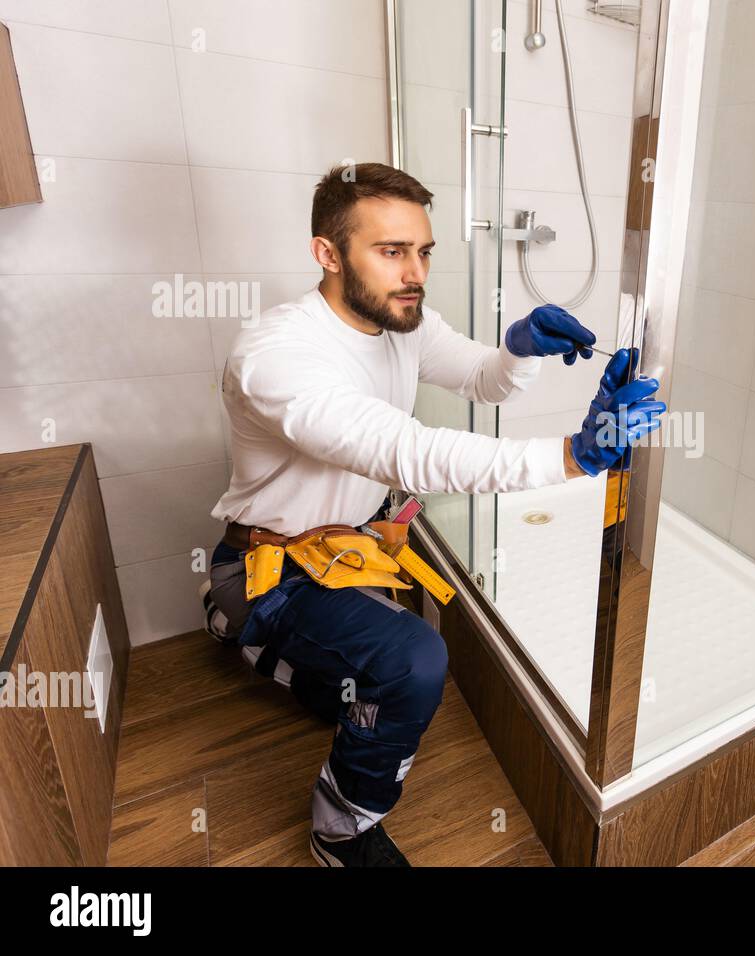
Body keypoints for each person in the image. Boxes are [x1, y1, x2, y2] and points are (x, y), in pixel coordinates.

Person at [201, 161, 665, 866]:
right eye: (391, 251)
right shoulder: (275, 356)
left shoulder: (401, 321)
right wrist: (576, 456)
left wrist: (519, 347)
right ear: (327, 254)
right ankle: (341, 825)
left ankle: (283, 660)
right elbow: (409, 453)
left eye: (423, 251)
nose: (414, 271)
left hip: (347, 554)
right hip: (273, 568)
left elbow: (484, 380)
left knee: (362, 690)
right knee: (414, 659)